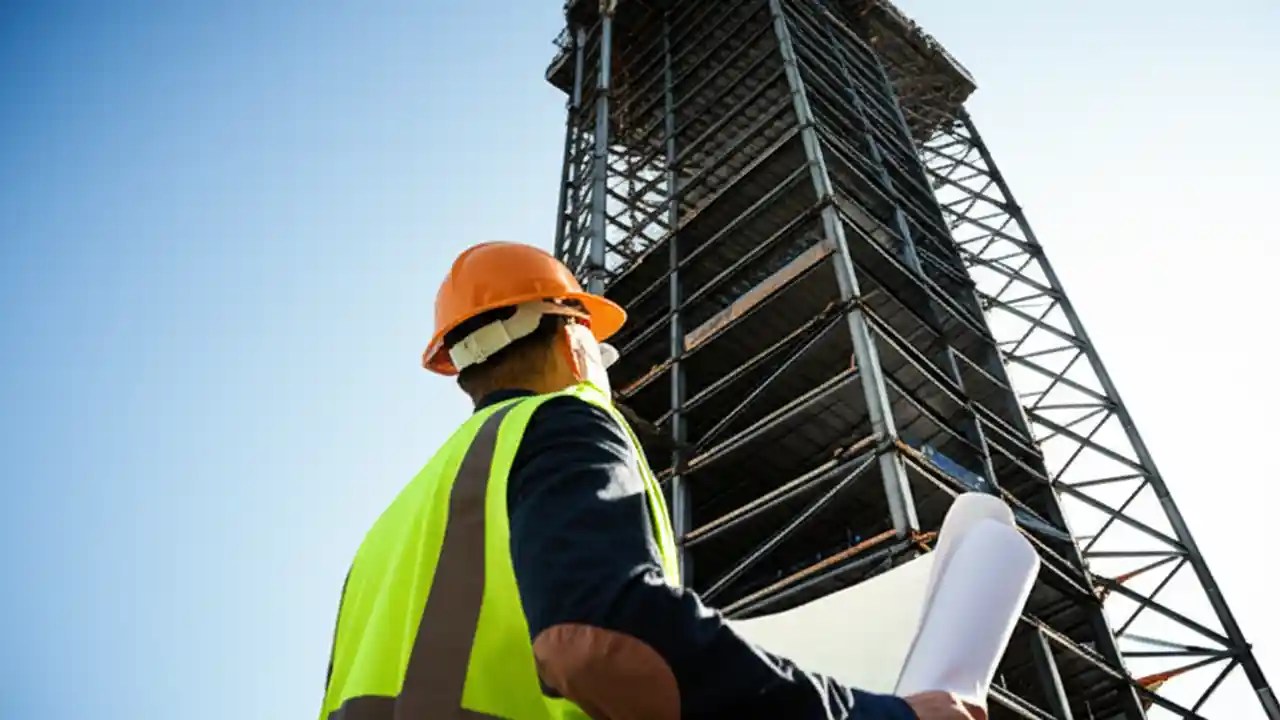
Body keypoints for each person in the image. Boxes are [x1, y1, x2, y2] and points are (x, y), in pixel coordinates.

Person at [317, 241, 986, 720]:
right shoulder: (563, 421)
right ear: (571, 336)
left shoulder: (394, 528)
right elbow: (599, 639)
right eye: (601, 347)